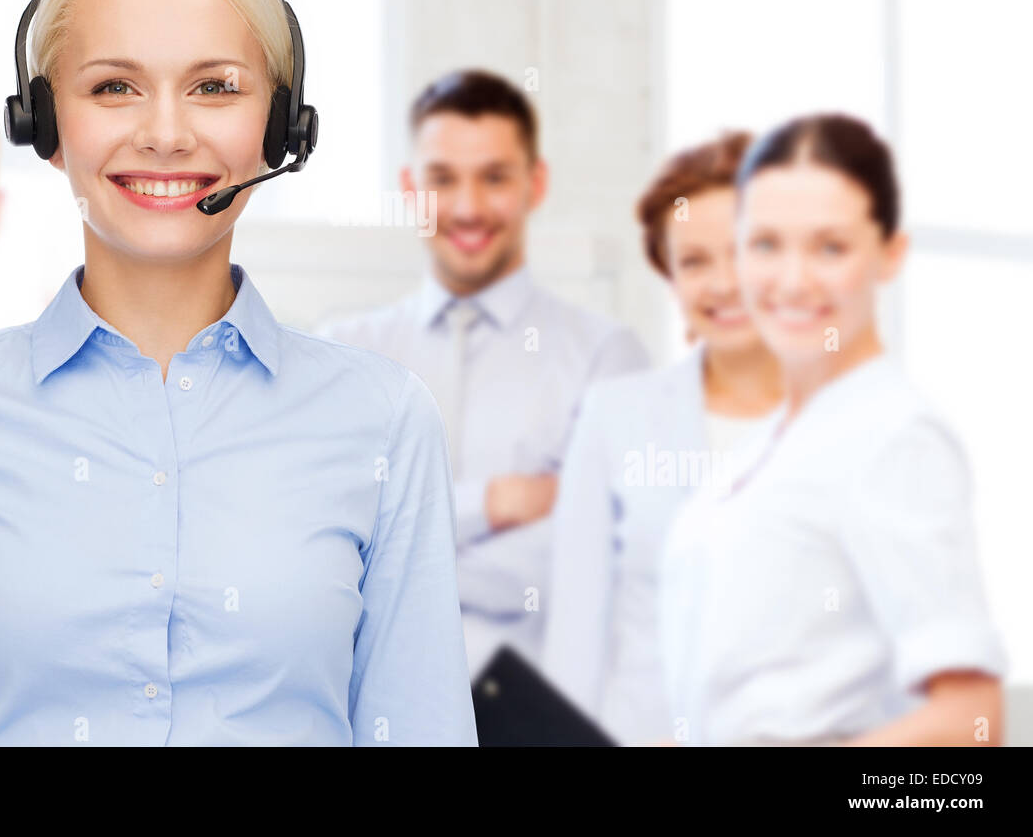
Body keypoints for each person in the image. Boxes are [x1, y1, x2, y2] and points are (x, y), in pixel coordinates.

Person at [0, 0, 477, 746]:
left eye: (215, 87)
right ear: (44, 125)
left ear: (281, 128)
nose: (166, 132)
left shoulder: (382, 419)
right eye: (114, 87)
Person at [659, 113, 1006, 746]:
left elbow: (974, 728)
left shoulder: (894, 437)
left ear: (890, 253)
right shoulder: (763, 449)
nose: (793, 280)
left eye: (830, 247)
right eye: (765, 244)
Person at [319, 70, 648, 679]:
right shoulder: (342, 355)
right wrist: (498, 503)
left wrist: (391, 556)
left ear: (535, 183)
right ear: (410, 188)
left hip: (534, 720)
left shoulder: (608, 358)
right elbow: (319, 544)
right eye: (443, 179)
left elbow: (588, 563)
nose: (468, 208)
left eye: (495, 177)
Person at [542, 130, 784, 744]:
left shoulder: (845, 426)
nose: (722, 284)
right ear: (670, 278)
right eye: (694, 262)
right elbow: (577, 637)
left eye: (741, 252)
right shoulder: (615, 416)